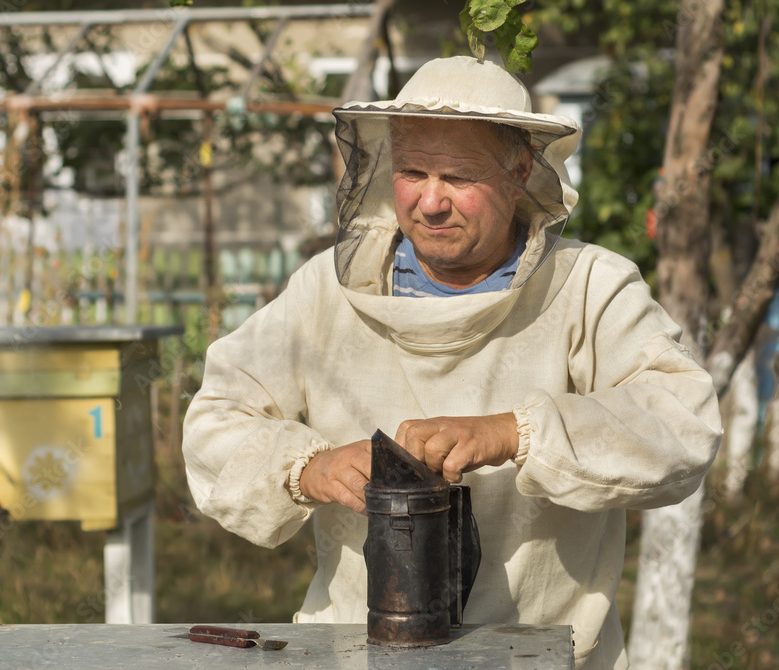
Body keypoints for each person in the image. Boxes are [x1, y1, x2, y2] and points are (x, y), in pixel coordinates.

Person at [182, 56, 721, 670]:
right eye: (412, 171)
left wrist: (514, 432)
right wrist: (312, 467)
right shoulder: (323, 293)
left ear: (520, 171)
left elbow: (682, 421)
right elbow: (214, 421)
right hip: (352, 654)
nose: (430, 201)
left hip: (549, 653)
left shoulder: (589, 288)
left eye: (459, 176)